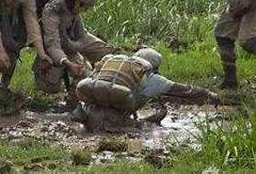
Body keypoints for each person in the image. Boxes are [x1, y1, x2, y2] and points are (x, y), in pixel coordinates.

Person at [34, 0, 116, 108]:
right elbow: (52, 44)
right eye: (85, 8)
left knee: (109, 56)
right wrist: (67, 63)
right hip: (58, 44)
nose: (86, 11)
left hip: (77, 37)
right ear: (78, 4)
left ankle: (74, 99)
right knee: (50, 86)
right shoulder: (52, 10)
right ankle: (70, 98)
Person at [72, 48, 220, 132]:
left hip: (89, 115)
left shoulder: (114, 63)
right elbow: (186, 90)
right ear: (153, 66)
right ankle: (127, 123)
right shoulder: (153, 78)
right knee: (144, 130)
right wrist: (209, 94)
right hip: (113, 121)